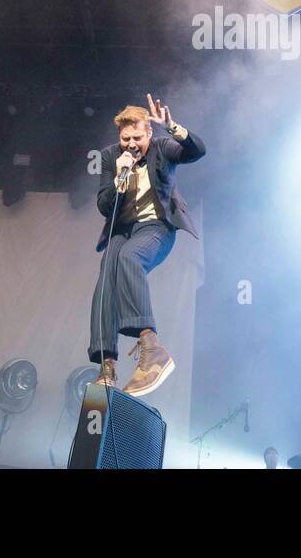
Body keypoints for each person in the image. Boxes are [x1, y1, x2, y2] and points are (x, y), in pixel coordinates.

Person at [90, 94, 206, 397]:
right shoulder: (109, 156)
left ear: (148, 133)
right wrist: (119, 178)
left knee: (130, 258)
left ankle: (151, 347)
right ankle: (107, 366)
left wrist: (173, 127)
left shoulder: (161, 148)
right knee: (105, 283)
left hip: (157, 227)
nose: (131, 143)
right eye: (126, 138)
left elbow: (196, 152)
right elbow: (104, 206)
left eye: (137, 137)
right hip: (123, 228)